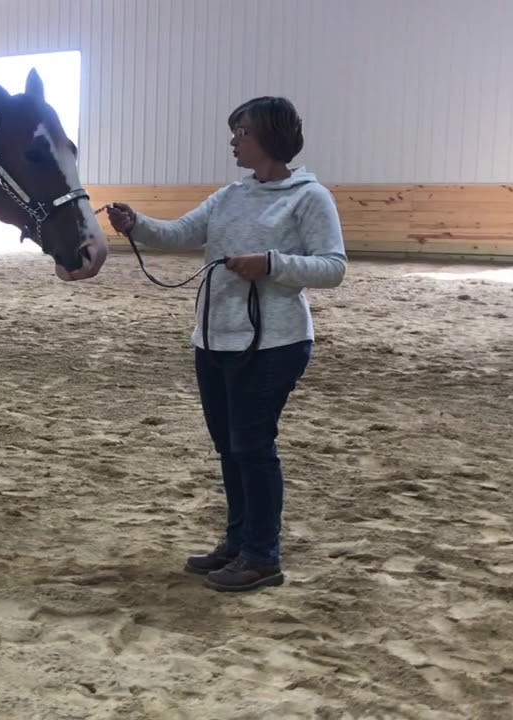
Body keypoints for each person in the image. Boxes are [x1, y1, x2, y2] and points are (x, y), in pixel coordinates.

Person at [105, 96, 347, 593]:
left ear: (269, 137)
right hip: (215, 338)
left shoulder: (309, 197)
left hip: (274, 343)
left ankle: (263, 556)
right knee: (230, 448)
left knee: (253, 448)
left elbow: (333, 267)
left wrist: (271, 263)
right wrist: (137, 225)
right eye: (234, 131)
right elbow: (181, 234)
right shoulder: (231, 195)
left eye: (242, 131)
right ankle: (239, 542)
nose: (233, 140)